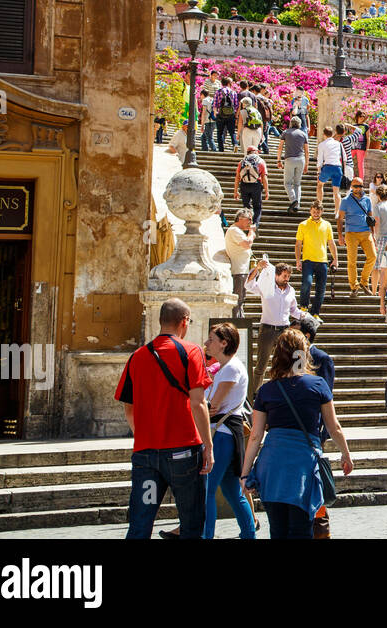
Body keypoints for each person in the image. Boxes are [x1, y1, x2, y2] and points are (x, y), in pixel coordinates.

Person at [239, 329, 351, 539]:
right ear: (303, 354)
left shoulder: (266, 390)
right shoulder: (317, 385)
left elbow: (255, 435)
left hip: (272, 466)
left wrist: (245, 473)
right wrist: (346, 454)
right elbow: (333, 426)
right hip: (302, 466)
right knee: (301, 530)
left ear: (277, 356)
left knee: (278, 530)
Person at [116, 298, 212, 539]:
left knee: (140, 522)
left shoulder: (137, 356)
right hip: (184, 453)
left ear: (160, 321)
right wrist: (208, 447)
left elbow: (129, 407)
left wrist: (144, 434)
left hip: (146, 454)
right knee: (191, 523)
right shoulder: (191, 351)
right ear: (184, 322)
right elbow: (198, 402)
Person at [201, 322, 256, 539]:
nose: (207, 343)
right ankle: (249, 534)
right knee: (232, 491)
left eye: (211, 339)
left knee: (207, 489)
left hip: (222, 433)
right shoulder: (228, 367)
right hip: (226, 432)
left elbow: (212, 406)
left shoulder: (231, 368)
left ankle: (207, 535)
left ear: (224, 343)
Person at [245, 258, 306, 389]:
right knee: (261, 364)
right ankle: (255, 393)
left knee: (285, 361)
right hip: (267, 329)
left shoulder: (291, 291)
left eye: (288, 276)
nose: (287, 279)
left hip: (284, 330)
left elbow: (293, 310)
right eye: (284, 276)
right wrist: (257, 268)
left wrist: (305, 315)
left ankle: (283, 390)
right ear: (276, 275)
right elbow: (249, 285)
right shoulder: (266, 286)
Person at [294, 202, 337, 319]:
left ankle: (315, 313)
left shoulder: (327, 225)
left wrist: (335, 259)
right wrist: (298, 260)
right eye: (314, 211)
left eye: (318, 212)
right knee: (306, 283)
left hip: (323, 261)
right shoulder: (303, 225)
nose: (316, 214)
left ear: (321, 212)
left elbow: (331, 243)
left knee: (321, 288)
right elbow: (298, 244)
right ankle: (303, 307)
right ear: (310, 211)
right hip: (308, 260)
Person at [336, 178, 376, 298]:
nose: (358, 188)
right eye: (355, 186)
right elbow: (340, 219)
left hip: (366, 232)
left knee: (373, 257)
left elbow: (370, 217)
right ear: (351, 187)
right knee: (352, 261)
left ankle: (364, 281)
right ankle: (354, 287)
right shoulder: (345, 201)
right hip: (351, 233)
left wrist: (373, 234)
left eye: (360, 186)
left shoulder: (367, 199)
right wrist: (340, 235)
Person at [224, 208, 255, 317]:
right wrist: (251, 232)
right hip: (238, 271)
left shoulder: (236, 231)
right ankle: (237, 324)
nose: (250, 223)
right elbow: (247, 244)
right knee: (238, 300)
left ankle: (240, 323)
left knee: (240, 300)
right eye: (249, 219)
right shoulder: (234, 230)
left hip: (241, 271)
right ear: (240, 218)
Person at [277, 117, 311, 214]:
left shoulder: (286, 132)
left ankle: (293, 200)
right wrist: (307, 164)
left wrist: (279, 160)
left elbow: (280, 147)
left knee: (287, 183)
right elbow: (307, 151)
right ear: (300, 124)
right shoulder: (303, 134)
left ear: (291, 123)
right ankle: (298, 204)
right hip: (301, 159)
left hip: (289, 159)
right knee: (297, 183)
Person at [234, 144, 268, 228]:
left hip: (244, 185)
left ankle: (247, 224)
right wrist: (267, 191)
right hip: (256, 185)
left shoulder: (242, 162)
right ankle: (255, 225)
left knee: (246, 207)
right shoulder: (260, 161)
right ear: (256, 152)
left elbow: (237, 177)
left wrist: (235, 191)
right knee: (257, 207)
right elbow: (264, 177)